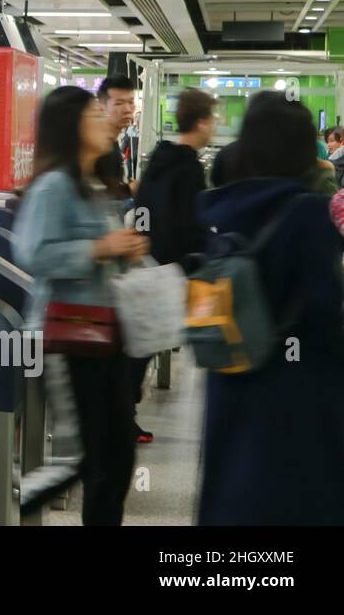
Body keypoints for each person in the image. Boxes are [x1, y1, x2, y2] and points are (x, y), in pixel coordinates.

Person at [194, 90, 344, 524]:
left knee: (234, 487)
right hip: (297, 388)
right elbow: (321, 311)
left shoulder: (220, 209)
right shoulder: (309, 213)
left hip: (231, 378)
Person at [13, 85, 148, 526]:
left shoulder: (91, 185)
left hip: (104, 336)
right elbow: (33, 253)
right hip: (67, 337)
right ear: (72, 128)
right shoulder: (54, 186)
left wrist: (119, 251)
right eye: (95, 114)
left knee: (114, 457)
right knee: (86, 460)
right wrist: (99, 247)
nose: (106, 120)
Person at [131, 87, 216, 444]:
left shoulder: (159, 158)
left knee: (141, 346)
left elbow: (145, 209)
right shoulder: (189, 168)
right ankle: (122, 418)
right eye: (212, 119)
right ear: (200, 122)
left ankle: (124, 414)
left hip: (146, 263)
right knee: (143, 347)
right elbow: (190, 222)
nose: (215, 126)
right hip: (172, 269)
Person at [97, 75, 137, 192]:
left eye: (131, 102)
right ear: (102, 107)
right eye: (119, 103)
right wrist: (128, 189)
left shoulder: (113, 142)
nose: (128, 109)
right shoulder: (97, 147)